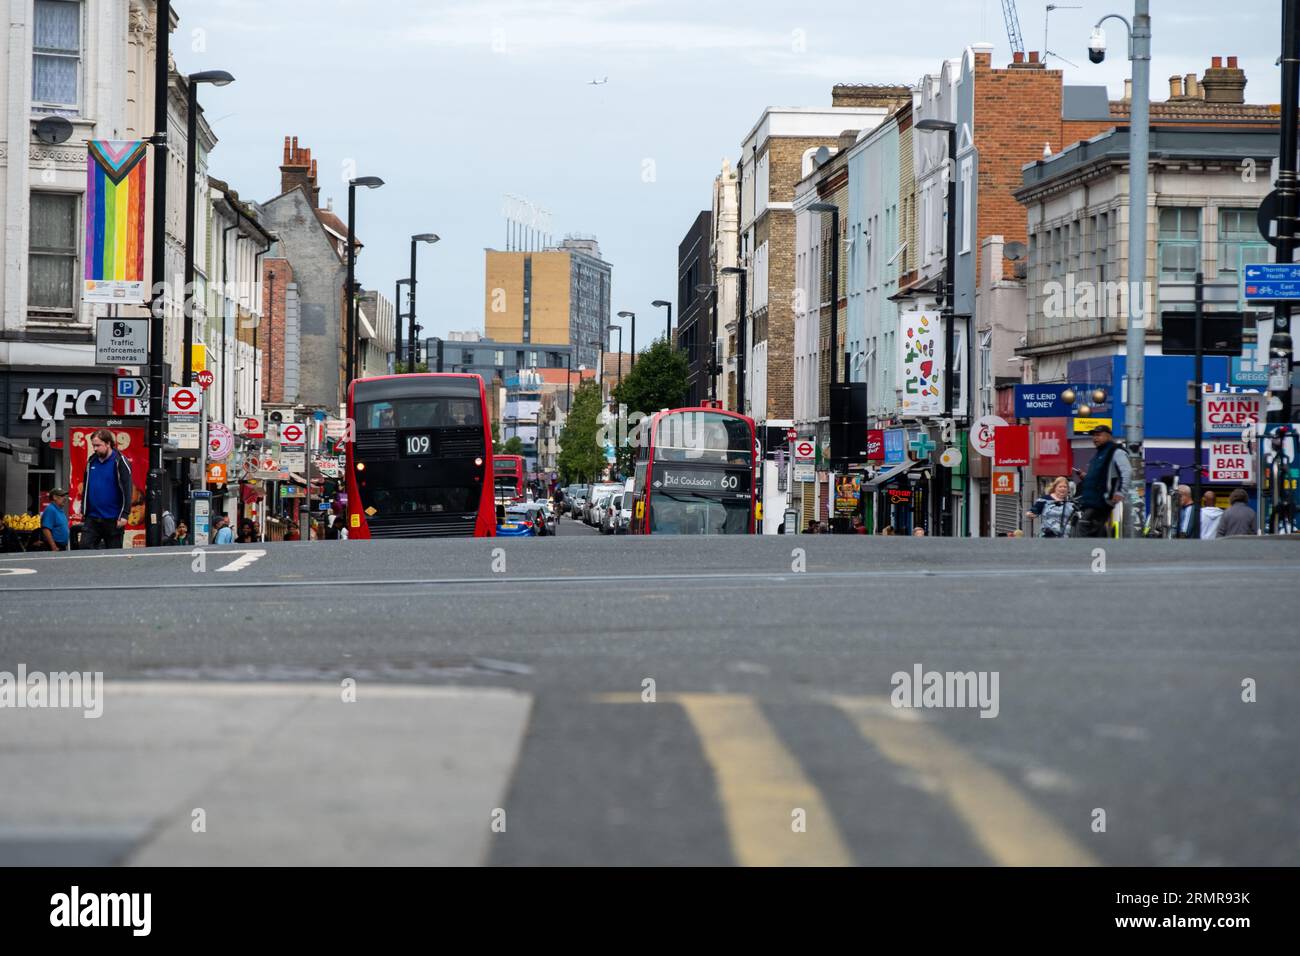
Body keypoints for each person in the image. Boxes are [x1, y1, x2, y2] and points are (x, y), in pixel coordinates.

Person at [1073, 424, 1130, 538]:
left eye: (1098, 435)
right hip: (1092, 499)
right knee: (1095, 529)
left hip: (1102, 499)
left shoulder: (1115, 451)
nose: (1095, 438)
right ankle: (1098, 551)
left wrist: (1120, 492)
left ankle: (1084, 552)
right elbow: (1100, 475)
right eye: (1093, 436)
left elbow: (1126, 471)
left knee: (1084, 525)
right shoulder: (1100, 453)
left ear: (1108, 436)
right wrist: (1087, 477)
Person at [80, 428, 132, 549]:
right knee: (84, 548)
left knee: (113, 555)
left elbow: (127, 490)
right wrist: (84, 510)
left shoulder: (120, 461)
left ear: (108, 443)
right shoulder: (91, 461)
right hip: (92, 518)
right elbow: (86, 486)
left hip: (113, 519)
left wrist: (124, 515)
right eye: (93, 445)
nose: (95, 448)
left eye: (98, 445)